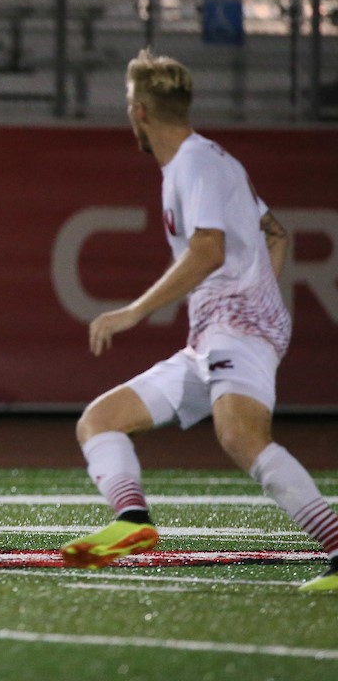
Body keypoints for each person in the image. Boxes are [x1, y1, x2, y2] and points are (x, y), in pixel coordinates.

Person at [60, 47, 338, 593]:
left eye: (126, 104)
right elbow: (275, 232)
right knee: (99, 420)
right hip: (214, 336)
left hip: (238, 330)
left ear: (140, 110)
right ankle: (133, 523)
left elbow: (208, 249)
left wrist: (136, 312)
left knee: (239, 436)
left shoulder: (195, 164)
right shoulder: (202, 163)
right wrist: (259, 289)